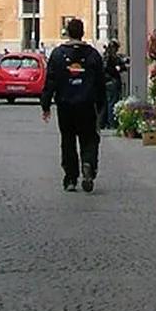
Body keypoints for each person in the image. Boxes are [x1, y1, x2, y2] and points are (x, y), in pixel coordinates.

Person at [40, 18, 106, 192]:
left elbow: (50, 81)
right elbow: (100, 83)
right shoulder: (93, 55)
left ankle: (70, 178)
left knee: (67, 140)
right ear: (82, 33)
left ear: (67, 32)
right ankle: (88, 164)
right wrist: (101, 106)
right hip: (86, 105)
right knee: (89, 138)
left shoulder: (58, 54)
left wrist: (45, 105)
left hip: (65, 105)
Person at [101, 39, 128, 128]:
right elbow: (115, 68)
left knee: (105, 103)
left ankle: (103, 123)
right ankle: (112, 123)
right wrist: (122, 67)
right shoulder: (112, 57)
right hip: (112, 81)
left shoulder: (105, 56)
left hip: (105, 82)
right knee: (112, 103)